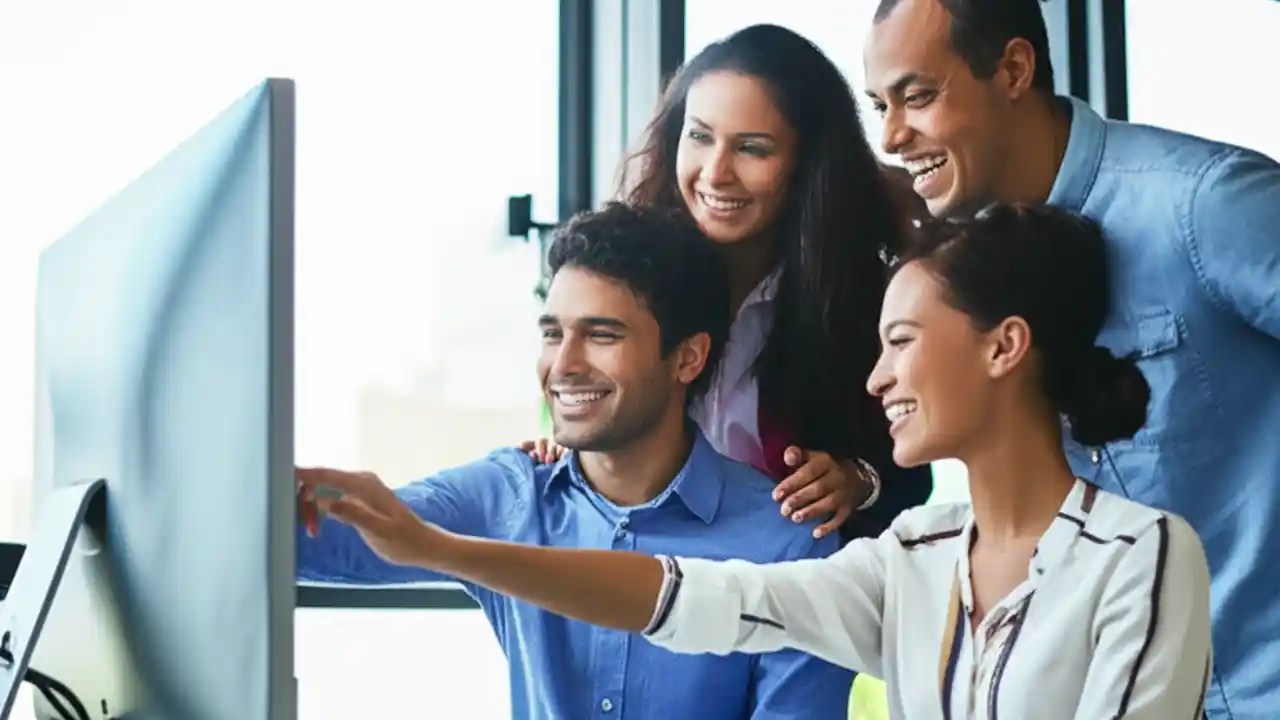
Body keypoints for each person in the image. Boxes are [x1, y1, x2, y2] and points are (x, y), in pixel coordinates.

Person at [300, 204, 1213, 718]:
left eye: (899, 342)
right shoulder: (913, 556)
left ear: (1004, 347)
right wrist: (443, 547)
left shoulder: (1142, 555)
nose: (876, 375)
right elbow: (695, 599)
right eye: (553, 333)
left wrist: (443, 549)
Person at [861, 1, 1280, 714]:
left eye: (919, 96)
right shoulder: (972, 277)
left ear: (1015, 69)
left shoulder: (1202, 204)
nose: (895, 136)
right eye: (880, 106)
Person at [296, 203, 853, 719]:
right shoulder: (511, 496)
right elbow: (322, 541)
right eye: (552, 334)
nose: (563, 365)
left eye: (601, 335)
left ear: (687, 357)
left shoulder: (788, 544)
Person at [526, 24, 933, 543]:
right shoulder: (626, 274)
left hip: (790, 587)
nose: (715, 173)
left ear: (808, 165)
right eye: (699, 137)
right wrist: (568, 445)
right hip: (637, 572)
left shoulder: (862, 293)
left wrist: (859, 481)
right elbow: (577, 390)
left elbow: (912, 471)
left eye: (752, 149)